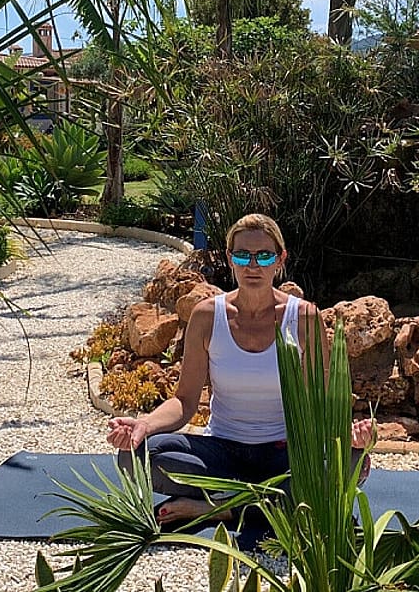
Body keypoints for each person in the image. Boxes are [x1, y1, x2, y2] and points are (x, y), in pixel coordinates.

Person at [107, 212, 374, 532]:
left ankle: (216, 509)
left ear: (280, 260)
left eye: (263, 256)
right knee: (134, 457)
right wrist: (143, 425)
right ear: (229, 258)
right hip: (222, 453)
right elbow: (184, 402)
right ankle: (263, 504)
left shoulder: (303, 318)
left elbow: (323, 401)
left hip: (287, 454)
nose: (252, 265)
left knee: (350, 466)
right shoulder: (207, 316)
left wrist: (354, 439)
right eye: (242, 255)